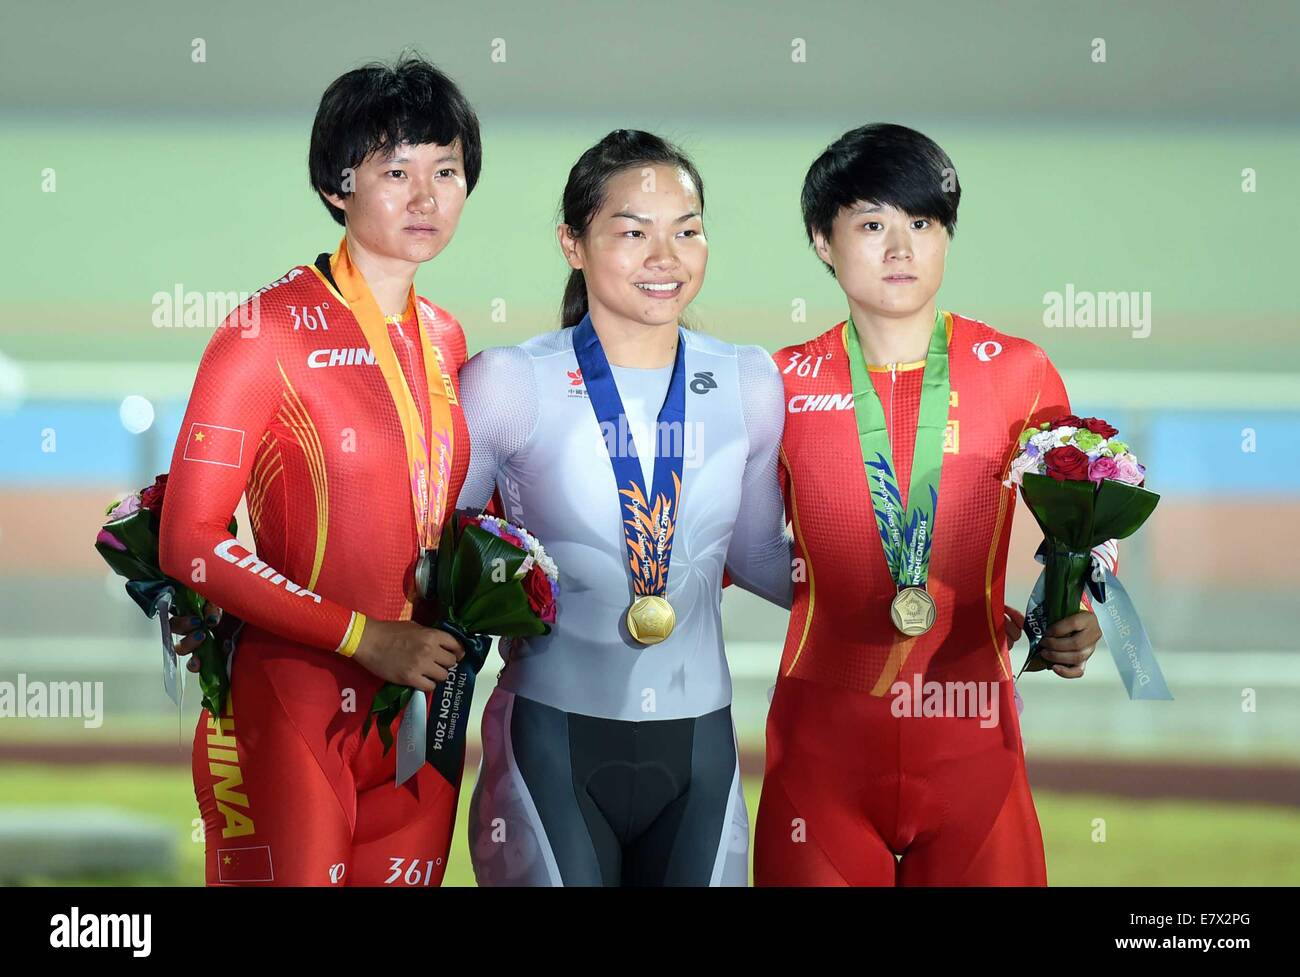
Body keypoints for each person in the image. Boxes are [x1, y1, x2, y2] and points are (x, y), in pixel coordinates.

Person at [754, 123, 1115, 886]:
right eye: (872, 223)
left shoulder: (1017, 372)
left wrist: (1071, 607)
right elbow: (722, 547)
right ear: (824, 239)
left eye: (922, 223)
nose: (900, 248)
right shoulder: (775, 385)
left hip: (974, 751)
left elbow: (1082, 526)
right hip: (819, 762)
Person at [158, 55, 482, 886]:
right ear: (337, 186)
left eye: (446, 170)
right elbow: (189, 542)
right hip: (288, 706)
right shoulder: (265, 332)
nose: (425, 197)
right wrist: (363, 637)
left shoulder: (446, 337)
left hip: (417, 707)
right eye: (395, 170)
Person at [456, 130, 792, 886]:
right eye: (633, 232)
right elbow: (440, 562)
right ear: (572, 243)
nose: (664, 257)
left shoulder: (746, 381)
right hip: (552, 739)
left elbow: (758, 555)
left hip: (701, 744)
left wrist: (913, 592)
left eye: (688, 230)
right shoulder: (511, 382)